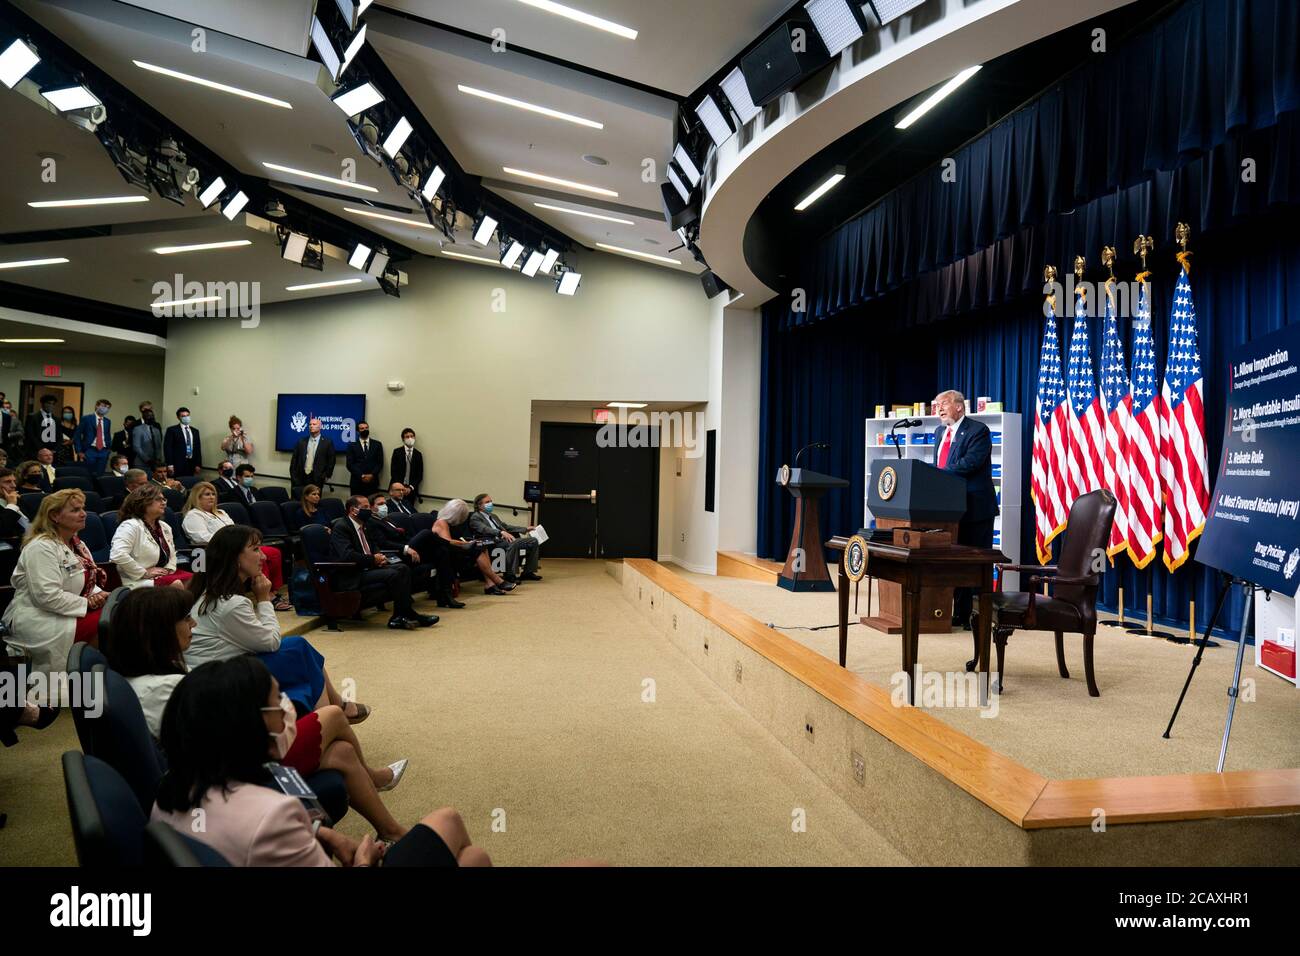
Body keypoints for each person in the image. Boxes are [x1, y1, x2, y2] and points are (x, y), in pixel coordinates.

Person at [107, 593, 410, 841]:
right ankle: (373, 779)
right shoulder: (164, 689)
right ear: (159, 632)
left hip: (224, 764)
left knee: (341, 752)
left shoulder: (151, 678)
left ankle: (389, 831)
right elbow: (228, 743)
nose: (193, 623)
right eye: (185, 619)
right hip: (236, 773)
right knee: (330, 715)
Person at [152, 657, 490, 866]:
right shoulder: (273, 815)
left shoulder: (169, 790)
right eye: (277, 701)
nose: (288, 708)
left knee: (472, 858)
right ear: (247, 724)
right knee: (454, 827)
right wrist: (363, 860)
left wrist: (323, 834)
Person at [185, 525, 371, 720]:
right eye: (256, 549)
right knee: (299, 652)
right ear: (234, 558)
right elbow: (271, 642)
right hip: (219, 677)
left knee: (298, 646)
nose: (264, 557)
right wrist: (264, 599)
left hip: (216, 667)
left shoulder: (209, 591)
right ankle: (328, 720)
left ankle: (335, 708)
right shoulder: (230, 603)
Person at [1, 490, 109, 701]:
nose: (84, 514)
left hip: (67, 609)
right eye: (75, 510)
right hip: (38, 617)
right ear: (54, 516)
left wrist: (99, 594)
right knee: (108, 624)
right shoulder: (40, 547)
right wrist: (87, 603)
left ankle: (95, 680)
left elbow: (85, 581)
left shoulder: (77, 544)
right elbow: (46, 596)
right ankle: (85, 685)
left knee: (115, 615)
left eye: (83, 509)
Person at [932, 389, 997, 629]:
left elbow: (970, 463)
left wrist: (935, 475)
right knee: (954, 562)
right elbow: (937, 464)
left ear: (959, 406)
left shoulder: (978, 430)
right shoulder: (940, 432)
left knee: (974, 563)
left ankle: (977, 616)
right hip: (948, 510)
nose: (939, 408)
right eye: (937, 404)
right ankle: (958, 613)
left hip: (975, 509)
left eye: (944, 403)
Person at [330, 496, 438, 629]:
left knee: (403, 568)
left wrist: (379, 556)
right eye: (365, 508)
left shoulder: (364, 525)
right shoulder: (341, 527)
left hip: (367, 568)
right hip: (351, 574)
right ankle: (405, 615)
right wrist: (372, 560)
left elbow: (373, 545)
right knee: (394, 574)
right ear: (353, 510)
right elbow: (347, 555)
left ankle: (401, 615)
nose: (369, 510)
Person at [182, 482, 292, 610]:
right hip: (210, 551)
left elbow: (234, 530)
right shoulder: (193, 515)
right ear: (197, 497)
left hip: (236, 547)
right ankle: (266, 595)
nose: (211, 497)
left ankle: (272, 589)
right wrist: (231, 542)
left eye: (213, 494)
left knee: (274, 552)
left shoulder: (221, 512)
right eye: (207, 494)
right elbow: (200, 538)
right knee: (256, 556)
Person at [110, 484, 192, 589]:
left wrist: (168, 569)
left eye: (164, 499)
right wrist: (143, 572)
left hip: (161, 574)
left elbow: (172, 554)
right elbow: (117, 555)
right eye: (158, 499)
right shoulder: (130, 525)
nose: (163, 502)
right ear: (143, 502)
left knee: (196, 580)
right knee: (176, 585)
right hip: (136, 579)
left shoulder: (164, 527)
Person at [433, 498, 514, 595]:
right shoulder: (442, 522)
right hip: (445, 553)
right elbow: (448, 542)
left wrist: (469, 542)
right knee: (477, 548)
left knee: (481, 546)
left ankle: (490, 584)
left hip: (454, 550)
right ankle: (497, 581)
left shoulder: (450, 523)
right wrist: (466, 543)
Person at [470, 492, 542, 583]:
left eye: (491, 501)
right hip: (492, 542)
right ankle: (510, 575)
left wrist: (525, 529)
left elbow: (506, 527)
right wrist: (501, 532)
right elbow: (484, 529)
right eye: (487, 502)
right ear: (479, 505)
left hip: (504, 540)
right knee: (513, 543)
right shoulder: (475, 517)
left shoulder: (493, 516)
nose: (490, 504)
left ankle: (528, 572)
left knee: (534, 541)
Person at [290, 417, 335, 492]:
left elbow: (331, 460)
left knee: (314, 501)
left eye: (314, 424)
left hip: (317, 478)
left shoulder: (327, 442)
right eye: (310, 424)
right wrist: (293, 476)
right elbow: (294, 460)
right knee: (298, 501)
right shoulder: (301, 441)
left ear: (320, 426)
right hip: (300, 477)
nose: (311, 426)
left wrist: (326, 475)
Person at [74, 399, 113, 476]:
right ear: (97, 406)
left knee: (100, 475)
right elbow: (77, 435)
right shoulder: (87, 418)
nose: (105, 409)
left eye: (108, 407)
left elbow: (107, 435)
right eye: (103, 406)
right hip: (90, 450)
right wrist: (79, 451)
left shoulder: (107, 421)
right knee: (88, 474)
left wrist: (108, 450)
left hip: (104, 451)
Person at [345, 420, 383, 496]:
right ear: (357, 431)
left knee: (372, 506)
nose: (365, 430)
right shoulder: (351, 445)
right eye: (362, 428)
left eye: (366, 428)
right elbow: (350, 464)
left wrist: (371, 475)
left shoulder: (377, 444)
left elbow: (380, 463)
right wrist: (362, 476)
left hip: (373, 482)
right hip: (357, 482)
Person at [163, 406, 202, 477]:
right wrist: (170, 464)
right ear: (178, 417)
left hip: (191, 464)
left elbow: (198, 448)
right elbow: (167, 448)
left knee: (189, 484)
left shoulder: (195, 431)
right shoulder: (172, 430)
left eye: (187, 415)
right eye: (183, 416)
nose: (186, 417)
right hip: (177, 464)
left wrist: (198, 464)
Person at [390, 427, 423, 501]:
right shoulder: (397, 452)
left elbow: (419, 475)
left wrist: (410, 488)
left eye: (412, 436)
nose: (410, 438)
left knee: (409, 511)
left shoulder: (418, 454)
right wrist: (401, 488)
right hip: (397, 489)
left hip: (411, 490)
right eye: (407, 437)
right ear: (403, 439)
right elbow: (393, 472)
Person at [131, 403, 164, 469]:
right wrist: (148, 460)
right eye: (148, 415)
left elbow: (158, 446)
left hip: (156, 463)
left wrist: (158, 458)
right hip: (142, 462)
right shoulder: (137, 428)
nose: (151, 417)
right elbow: (136, 447)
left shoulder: (156, 429)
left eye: (152, 415)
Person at [0, 468, 29, 543]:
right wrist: (11, 505)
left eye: (14, 481)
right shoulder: (13, 501)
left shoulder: (18, 499)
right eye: (8, 482)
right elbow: (2, 529)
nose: (14, 485)